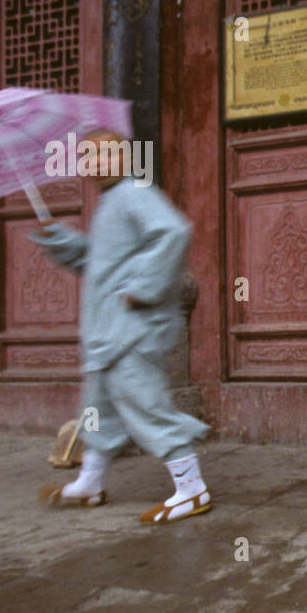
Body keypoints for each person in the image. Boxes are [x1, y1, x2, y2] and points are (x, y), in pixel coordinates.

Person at [32, 128, 213, 524]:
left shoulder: (135, 192)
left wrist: (144, 287)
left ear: (129, 158)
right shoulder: (110, 202)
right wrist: (59, 240)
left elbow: (174, 232)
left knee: (144, 403)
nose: (99, 164)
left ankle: (191, 487)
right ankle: (90, 482)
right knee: (99, 409)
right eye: (90, 159)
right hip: (107, 332)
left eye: (108, 155)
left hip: (133, 329)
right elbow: (97, 262)